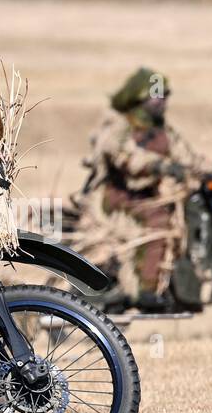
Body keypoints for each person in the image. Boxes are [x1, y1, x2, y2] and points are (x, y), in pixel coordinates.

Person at [79, 67, 201, 312]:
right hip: (115, 196)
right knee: (158, 222)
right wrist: (158, 164)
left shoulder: (164, 131)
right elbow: (121, 154)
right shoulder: (119, 124)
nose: (163, 100)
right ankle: (145, 291)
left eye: (166, 94)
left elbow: (187, 158)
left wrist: (206, 171)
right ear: (140, 97)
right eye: (158, 95)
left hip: (145, 196)